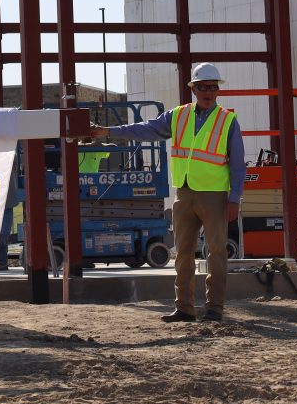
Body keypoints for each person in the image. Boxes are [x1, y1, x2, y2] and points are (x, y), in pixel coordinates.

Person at [88, 63, 245, 322]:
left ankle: (214, 308)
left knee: (216, 252)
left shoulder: (227, 120)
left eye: (213, 87)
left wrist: (234, 198)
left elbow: (238, 165)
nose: (209, 91)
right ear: (193, 89)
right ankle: (184, 308)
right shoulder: (178, 116)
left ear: (218, 91)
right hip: (184, 193)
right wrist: (108, 132)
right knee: (183, 252)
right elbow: (143, 129)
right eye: (203, 87)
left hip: (214, 194)